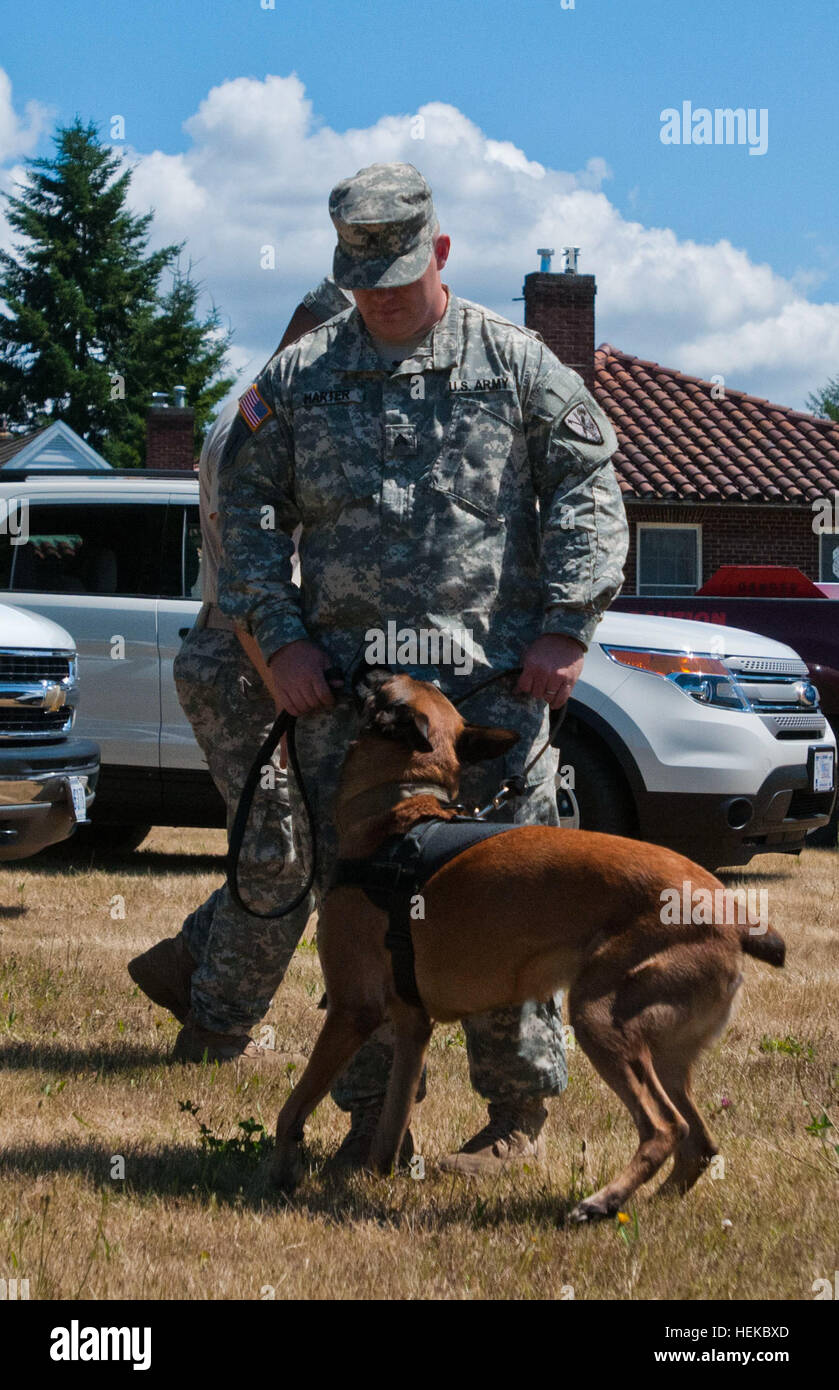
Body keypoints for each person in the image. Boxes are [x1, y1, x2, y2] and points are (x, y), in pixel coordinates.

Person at [217, 163, 629, 1172]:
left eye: (398, 277)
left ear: (439, 252)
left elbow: (588, 481)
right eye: (362, 283)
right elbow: (241, 512)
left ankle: (514, 1115)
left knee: (506, 900)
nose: (381, 299)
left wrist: (567, 625)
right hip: (356, 712)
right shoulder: (299, 378)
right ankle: (374, 1117)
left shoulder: (514, 365)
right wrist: (279, 636)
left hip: (486, 699)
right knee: (358, 912)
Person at [128, 276, 352, 1063]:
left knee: (298, 844)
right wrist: (285, 697)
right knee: (277, 852)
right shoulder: (259, 420)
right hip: (242, 660)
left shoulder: (271, 410)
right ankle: (215, 1027)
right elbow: (255, 586)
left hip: (258, 660)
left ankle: (186, 958)